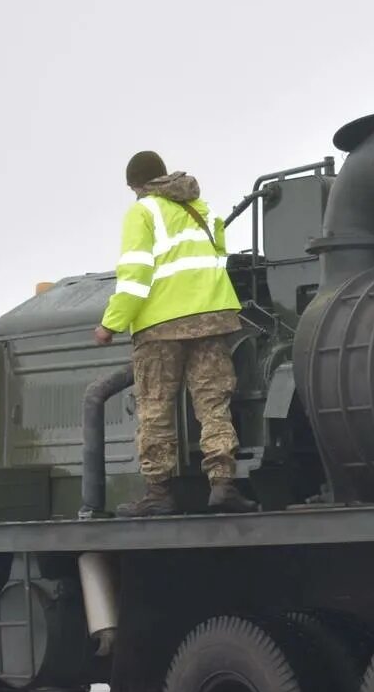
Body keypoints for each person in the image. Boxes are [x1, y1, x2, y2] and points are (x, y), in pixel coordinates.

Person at [94, 151, 257, 516]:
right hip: (213, 320)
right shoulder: (202, 208)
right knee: (213, 405)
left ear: (137, 184)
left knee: (155, 409)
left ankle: (158, 494)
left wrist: (111, 323)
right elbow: (216, 261)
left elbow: (135, 276)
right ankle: (222, 486)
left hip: (161, 326)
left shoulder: (143, 212)